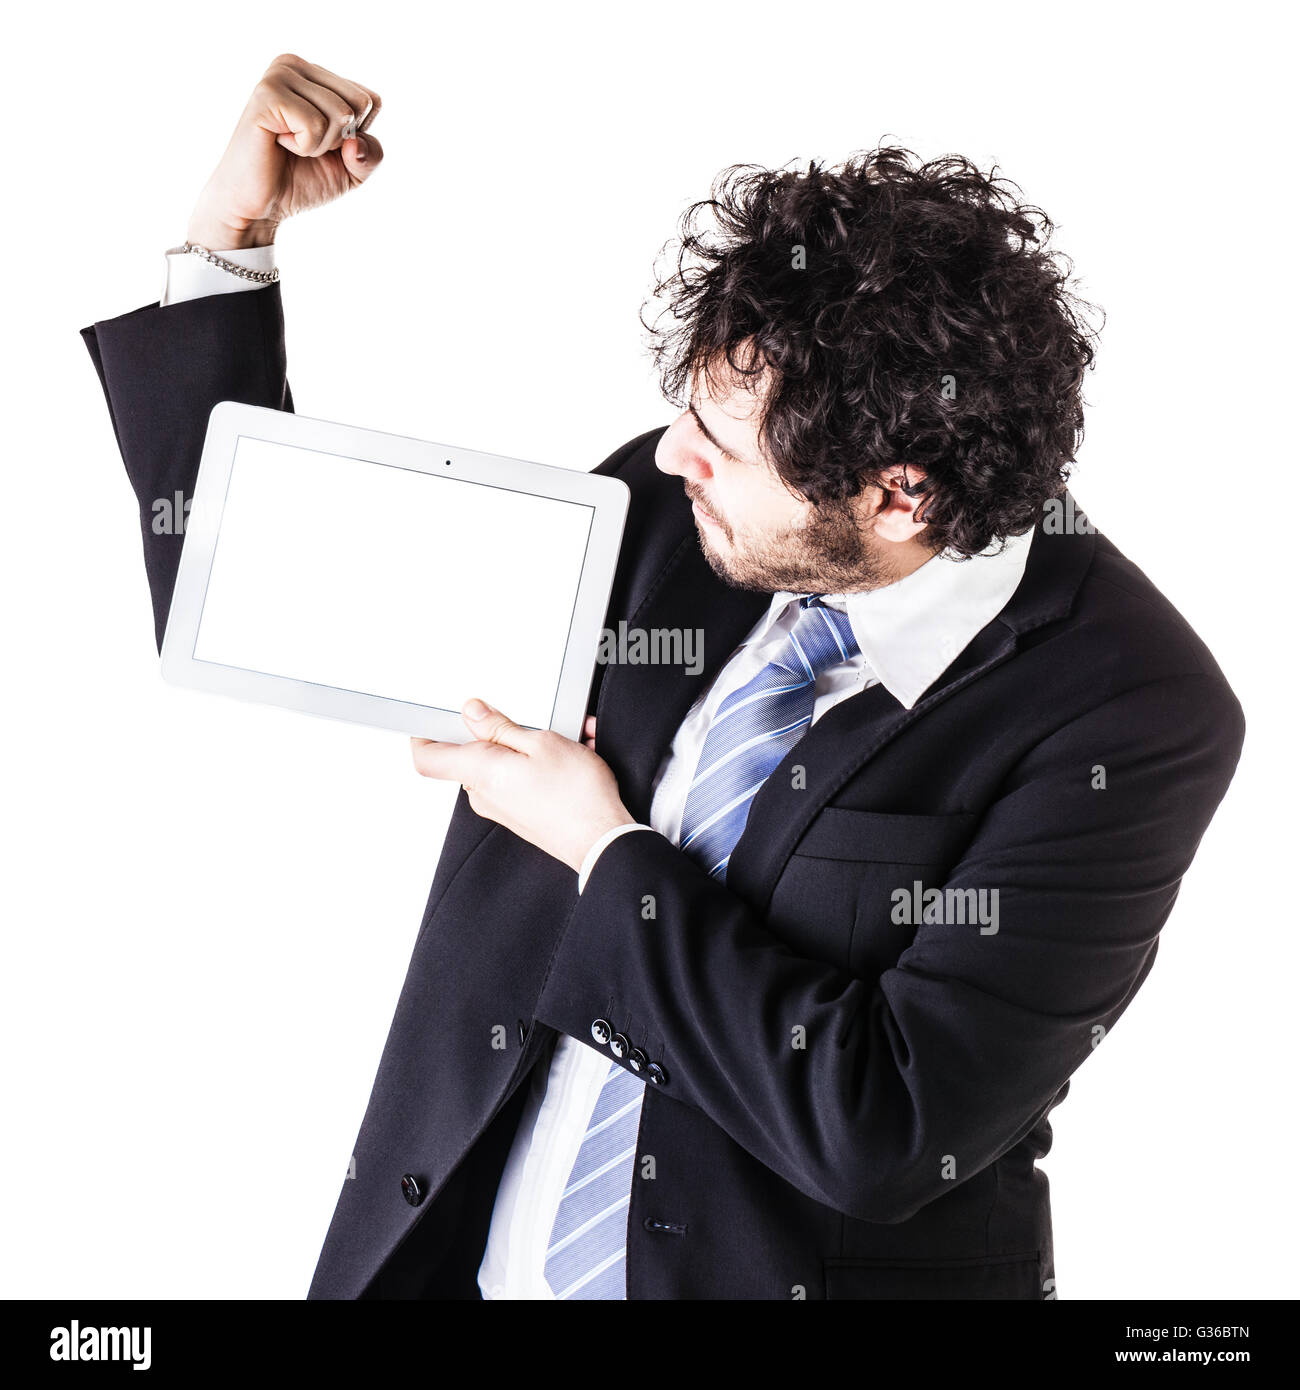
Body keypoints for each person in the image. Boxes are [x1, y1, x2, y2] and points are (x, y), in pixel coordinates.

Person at [81, 53, 1245, 1301]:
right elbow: (257, 598)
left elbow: (885, 1129)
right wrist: (230, 243)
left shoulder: (1133, 709)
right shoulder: (670, 506)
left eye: (722, 442)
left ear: (900, 495)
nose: (673, 451)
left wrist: (605, 852)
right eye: (686, 408)